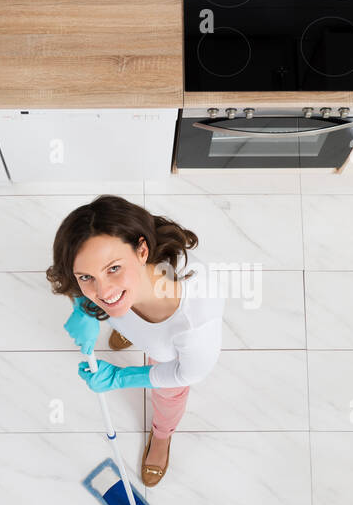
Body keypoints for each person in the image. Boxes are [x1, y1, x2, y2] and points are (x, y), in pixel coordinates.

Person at [47, 195, 225, 486]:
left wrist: (121, 377)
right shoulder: (106, 287)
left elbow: (190, 372)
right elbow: (93, 286)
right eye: (86, 277)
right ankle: (133, 330)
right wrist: (84, 309)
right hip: (142, 321)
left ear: (142, 251)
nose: (103, 292)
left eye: (113, 268)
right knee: (118, 308)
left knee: (169, 396)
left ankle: (162, 435)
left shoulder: (194, 321)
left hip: (168, 351)